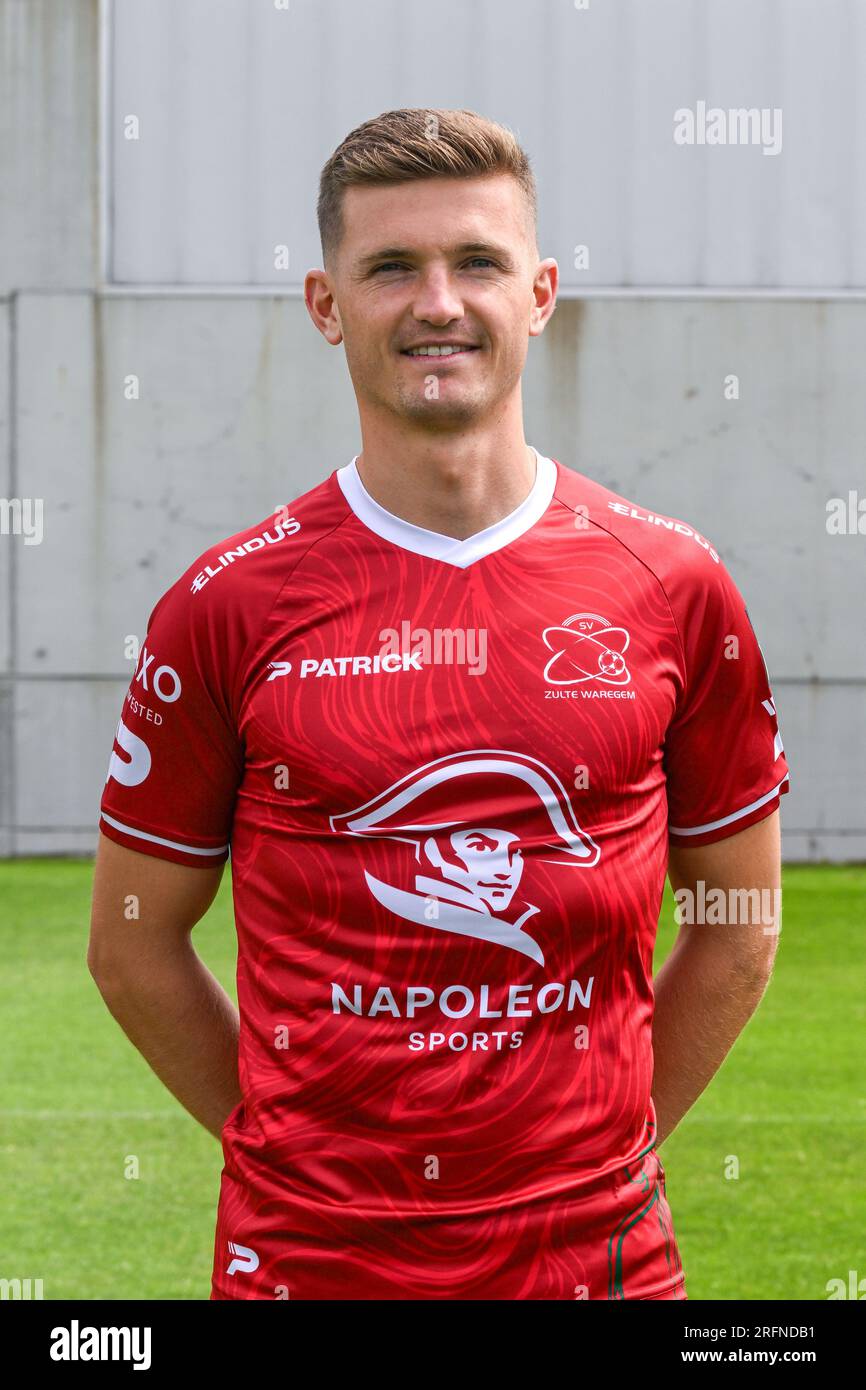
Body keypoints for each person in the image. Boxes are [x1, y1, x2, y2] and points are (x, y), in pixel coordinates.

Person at [89, 107, 790, 1301]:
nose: (437, 302)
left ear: (540, 294)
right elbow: (133, 941)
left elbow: (735, 919)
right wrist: (289, 1155)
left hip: (597, 1260)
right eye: (390, 268)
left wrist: (597, 1156)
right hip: (307, 1261)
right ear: (325, 304)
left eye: (476, 262)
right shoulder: (230, 603)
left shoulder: (671, 585)